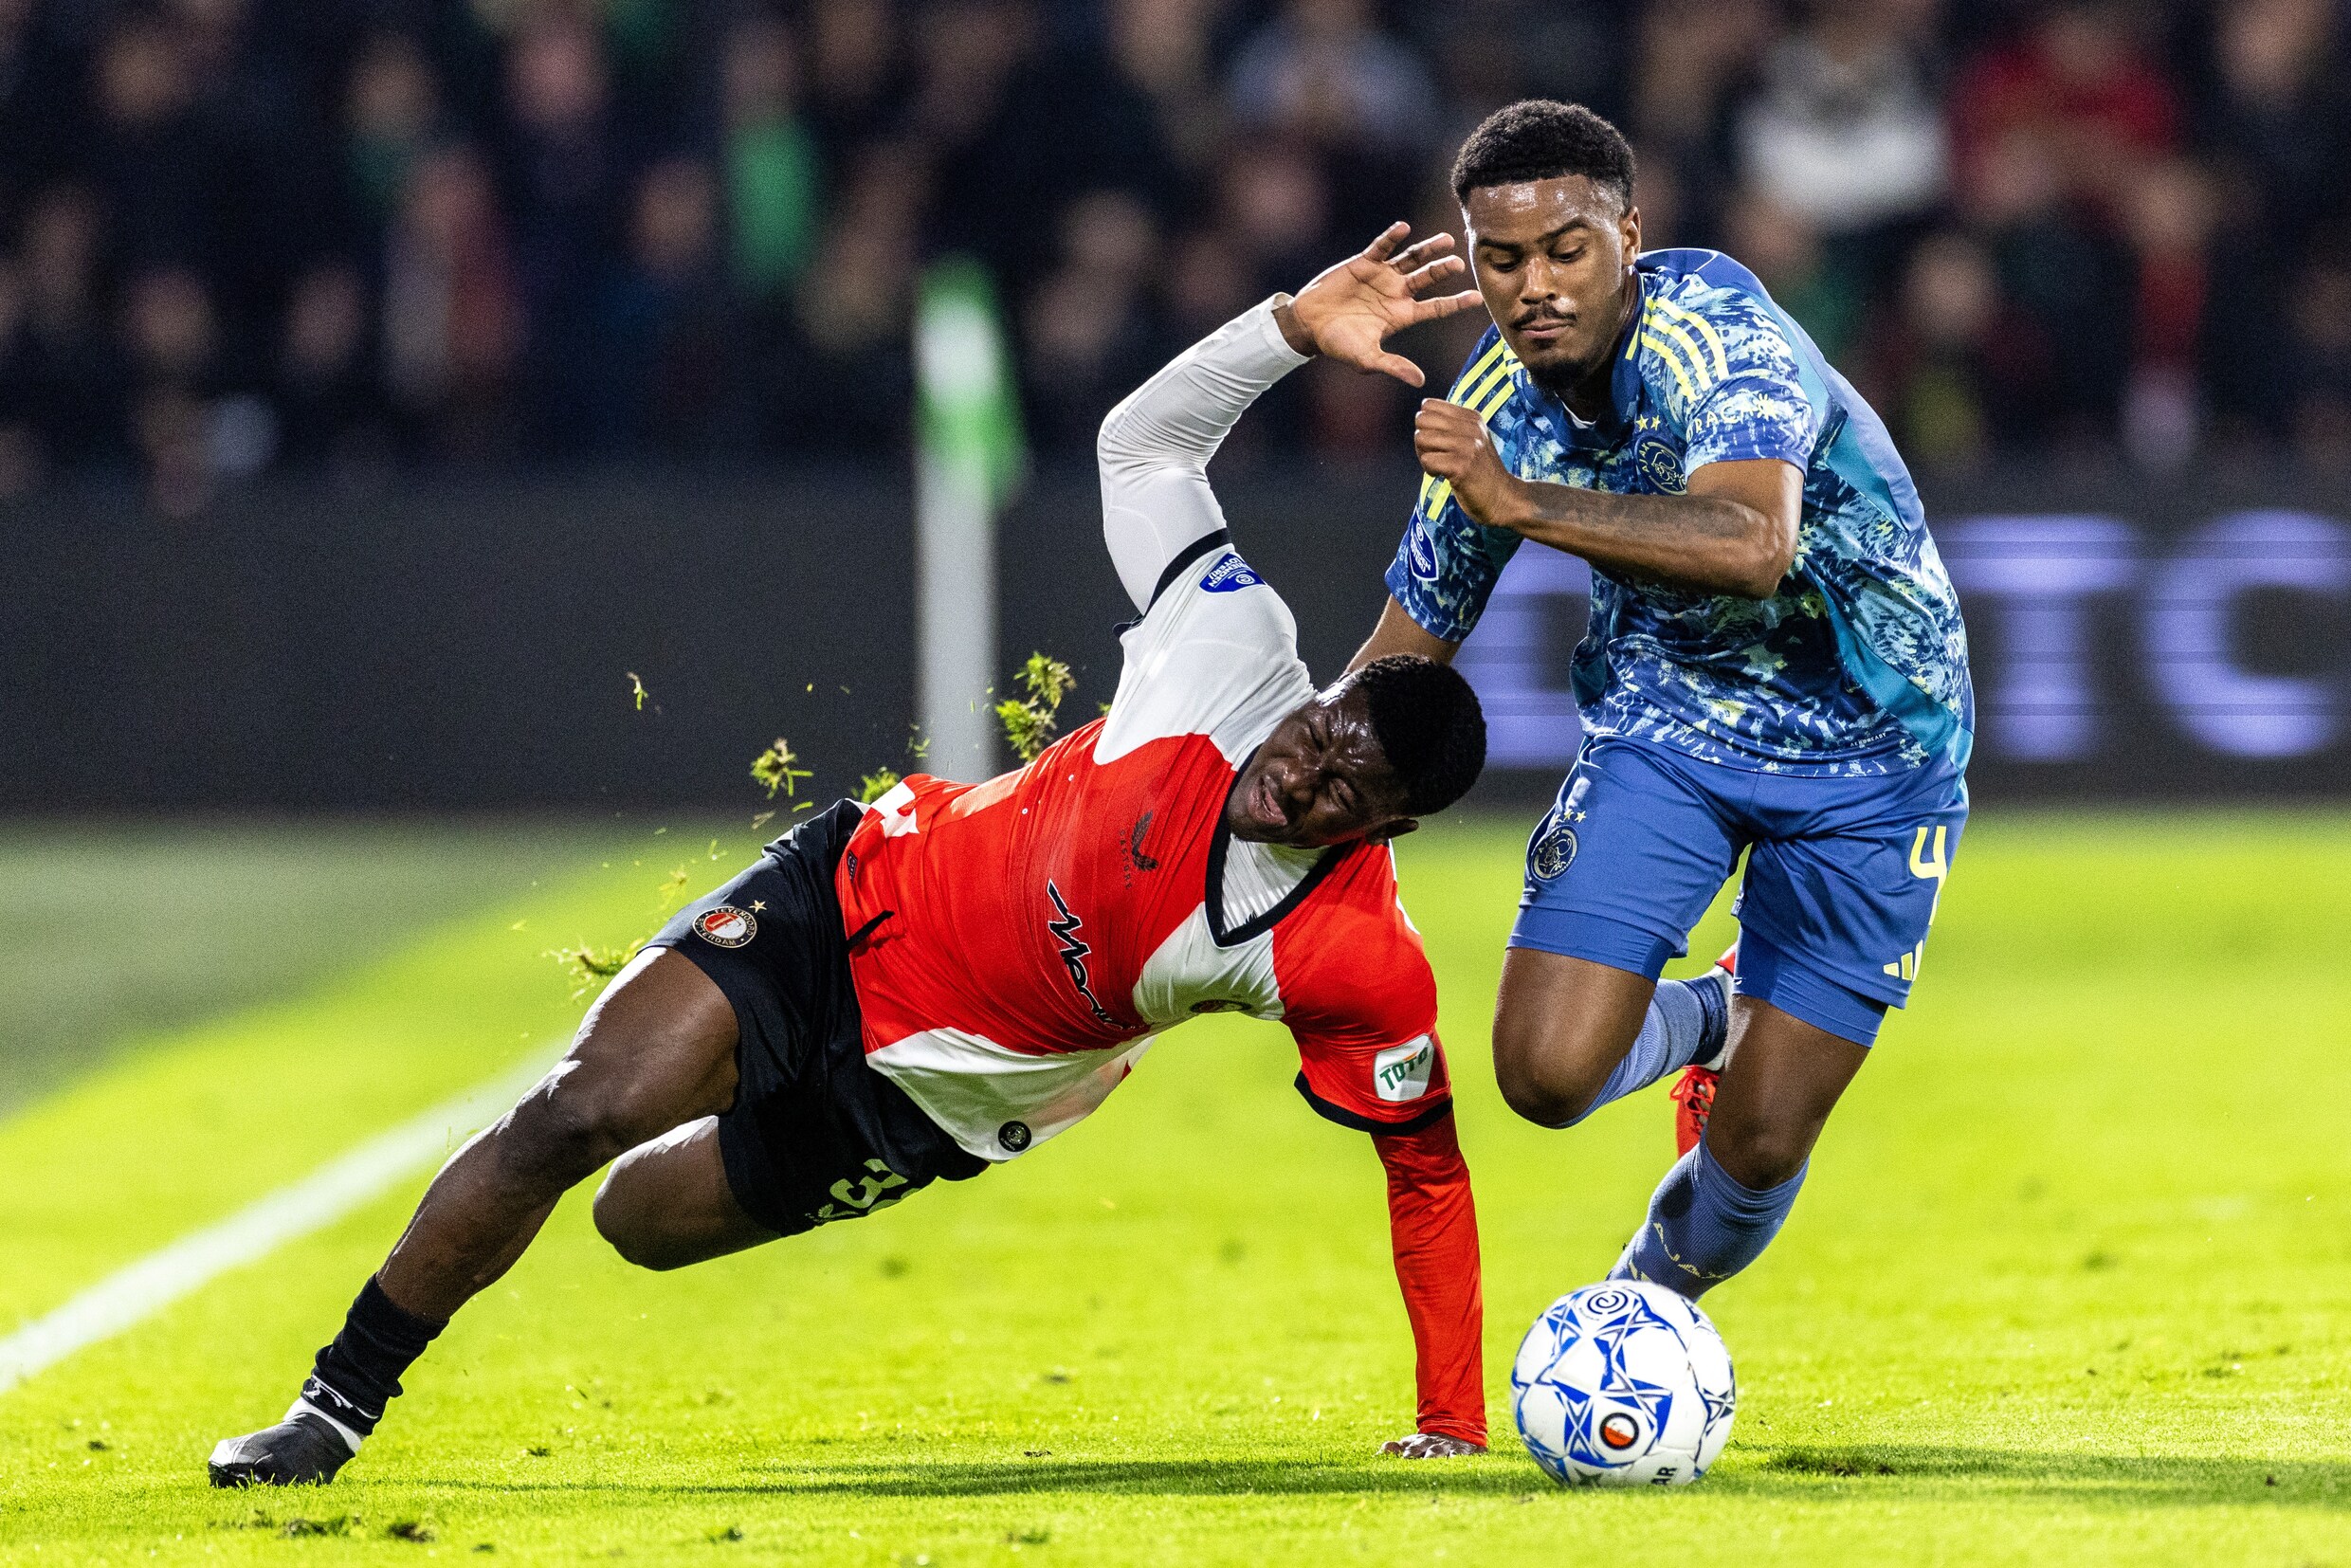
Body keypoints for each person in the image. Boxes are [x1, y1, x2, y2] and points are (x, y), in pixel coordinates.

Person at [208, 223, 1494, 1486]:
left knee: (636, 1225)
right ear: (1328, 690)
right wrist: (1282, 328)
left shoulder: (1355, 957)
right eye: (1323, 732)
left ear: (1383, 831)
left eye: (1344, 790)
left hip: (940, 1097)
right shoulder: (1231, 647)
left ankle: (720, 1105)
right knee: (581, 1109)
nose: (1303, 771)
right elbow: (1140, 445)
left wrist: (1451, 1418)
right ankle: (333, 1406)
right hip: (852, 898)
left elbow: (1424, 1168)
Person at [1352, 100, 1971, 1300]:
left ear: (1627, 234)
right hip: (1670, 725)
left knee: (1753, 1145)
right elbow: (1397, 659)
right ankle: (1716, 1008)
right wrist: (1240, 806)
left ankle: (1637, 1311)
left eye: (1565, 249)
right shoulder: (1491, 409)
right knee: (1540, 1077)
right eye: (1501, 259)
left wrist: (1520, 502)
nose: (1533, 286)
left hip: (1876, 744)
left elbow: (1751, 541)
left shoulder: (1718, 334)